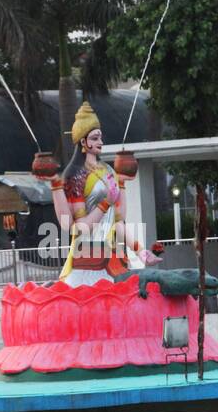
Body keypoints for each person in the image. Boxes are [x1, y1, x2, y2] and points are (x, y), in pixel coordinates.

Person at [49, 101, 159, 286]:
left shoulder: (108, 170)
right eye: (94, 138)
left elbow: (118, 220)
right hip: (86, 259)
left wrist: (140, 250)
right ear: (83, 142)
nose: (100, 142)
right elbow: (81, 227)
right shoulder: (75, 175)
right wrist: (106, 203)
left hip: (111, 258)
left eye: (100, 137)